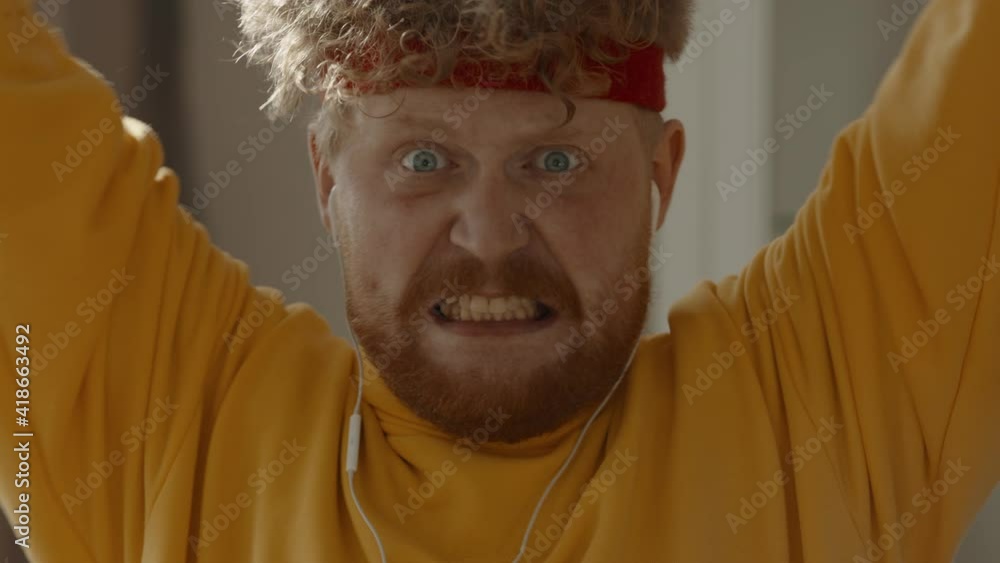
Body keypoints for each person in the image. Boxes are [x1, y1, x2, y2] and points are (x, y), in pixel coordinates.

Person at [0, 0, 997, 561]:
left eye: (554, 162)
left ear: (660, 177)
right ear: (325, 181)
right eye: (423, 160)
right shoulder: (170, 425)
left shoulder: (818, 403)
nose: (485, 234)